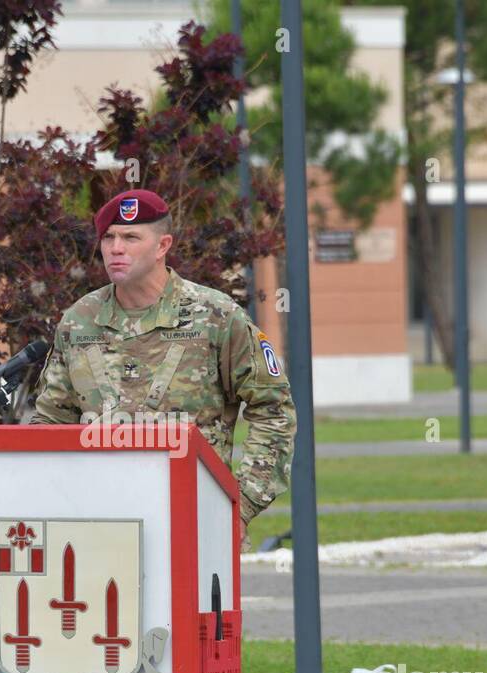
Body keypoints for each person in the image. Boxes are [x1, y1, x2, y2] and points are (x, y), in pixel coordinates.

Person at [32, 189, 296, 539]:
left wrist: (240, 504)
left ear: (162, 245)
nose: (116, 248)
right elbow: (50, 424)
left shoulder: (216, 317)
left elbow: (274, 410)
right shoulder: (80, 320)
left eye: (130, 237)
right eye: (108, 238)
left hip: (192, 520)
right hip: (95, 523)